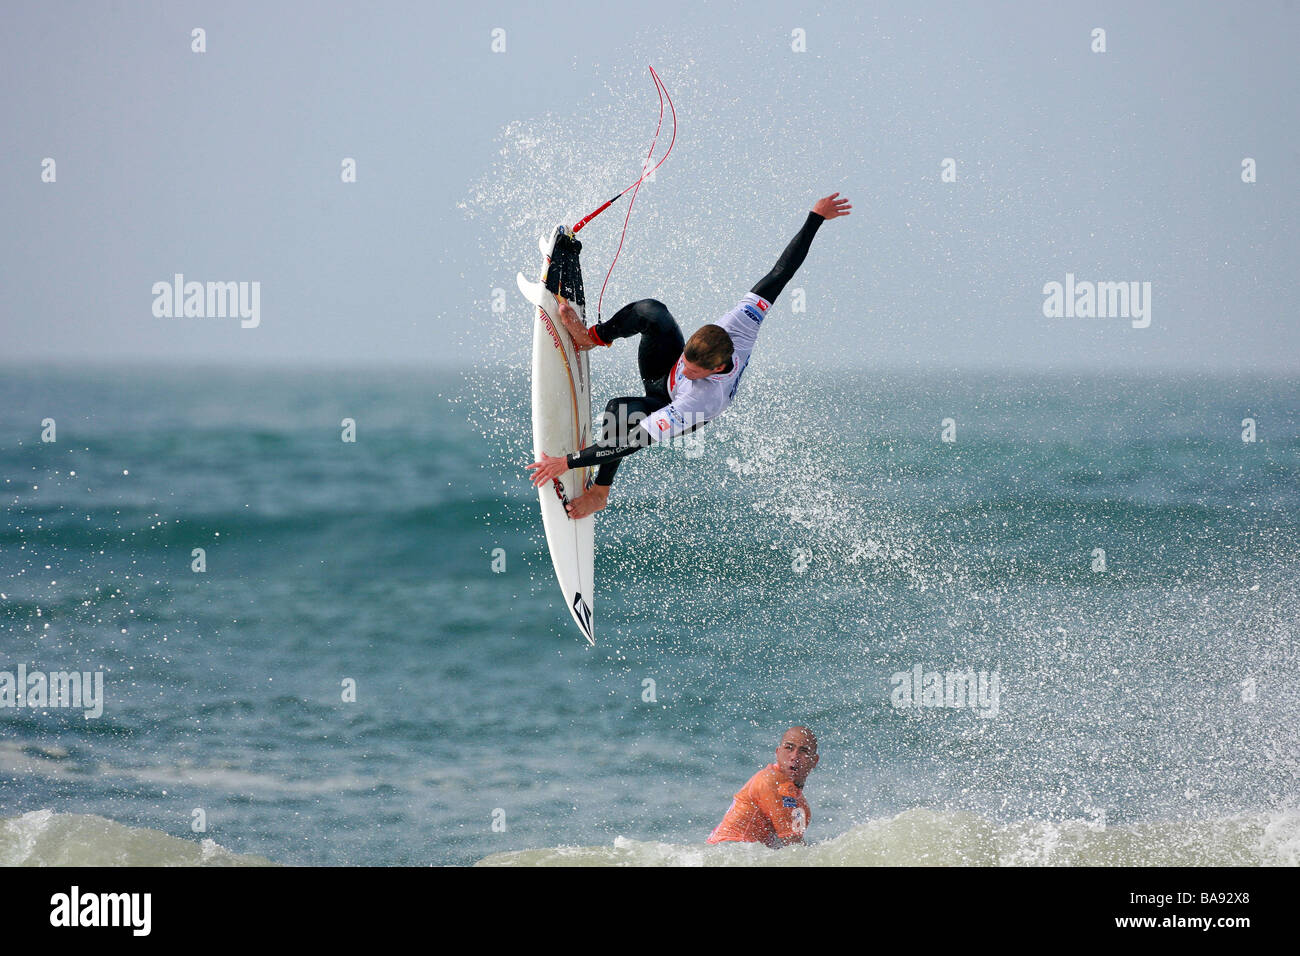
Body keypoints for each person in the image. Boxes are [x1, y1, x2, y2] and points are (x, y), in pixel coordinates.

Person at [526, 193, 852, 519]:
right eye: (687, 362)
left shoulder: (702, 399)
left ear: (719, 368)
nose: (687, 370)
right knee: (653, 313)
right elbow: (782, 272)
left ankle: (599, 493)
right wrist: (815, 217)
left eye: (694, 371)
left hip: (669, 402)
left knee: (620, 412)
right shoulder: (742, 321)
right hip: (661, 372)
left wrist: (567, 461)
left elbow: (630, 442)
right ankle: (590, 338)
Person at [707, 726, 819, 847]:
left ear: (814, 761)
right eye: (789, 748)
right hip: (727, 852)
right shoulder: (769, 781)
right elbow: (794, 848)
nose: (794, 756)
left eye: (803, 751)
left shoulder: (801, 805)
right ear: (777, 753)